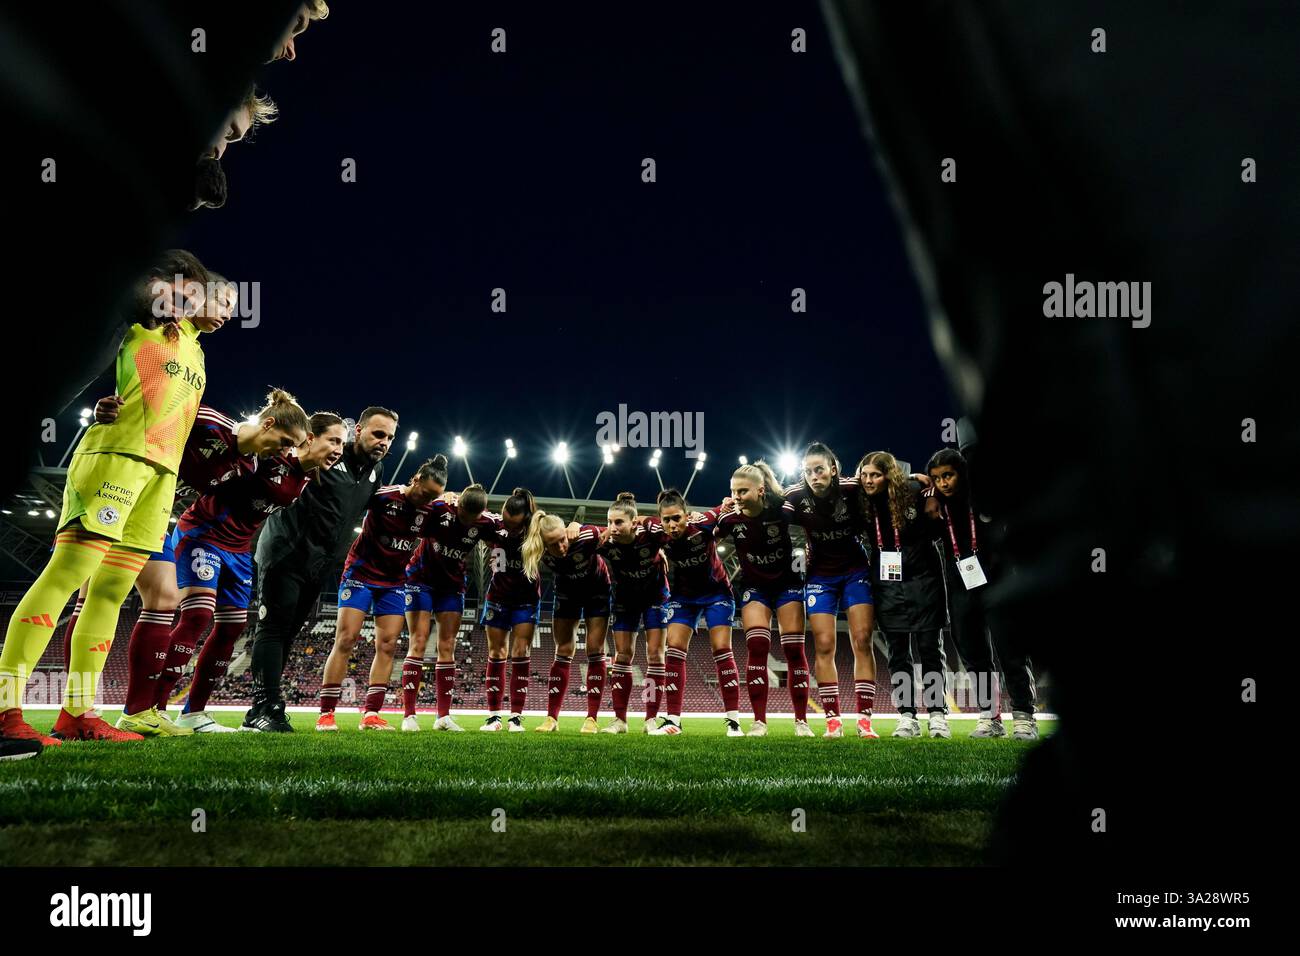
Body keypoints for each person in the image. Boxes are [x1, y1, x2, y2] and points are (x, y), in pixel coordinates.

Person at [0, 252, 220, 745]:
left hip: (160, 476)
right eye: (190, 292)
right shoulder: (135, 322)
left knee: (110, 595)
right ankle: (4, 707)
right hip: (115, 457)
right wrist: (95, 405)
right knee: (68, 575)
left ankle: (77, 714)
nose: (197, 302)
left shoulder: (195, 348)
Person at [114, 388, 311, 736]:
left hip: (166, 520)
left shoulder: (250, 465)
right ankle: (146, 706)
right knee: (188, 612)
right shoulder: (208, 422)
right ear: (267, 423)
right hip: (148, 509)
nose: (285, 452)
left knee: (221, 622)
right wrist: (114, 408)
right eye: (284, 441)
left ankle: (179, 712)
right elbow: (154, 407)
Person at [166, 411, 346, 732]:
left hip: (238, 550)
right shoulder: (270, 457)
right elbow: (235, 445)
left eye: (343, 444)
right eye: (333, 440)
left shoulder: (307, 477)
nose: (339, 449)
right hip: (204, 533)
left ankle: (193, 713)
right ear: (309, 439)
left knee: (231, 629)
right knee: (197, 616)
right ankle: (151, 707)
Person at [242, 406, 397, 732]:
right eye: (378, 434)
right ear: (359, 431)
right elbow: (290, 456)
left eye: (390, 438)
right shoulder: (326, 453)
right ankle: (263, 706)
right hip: (285, 552)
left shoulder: (376, 470)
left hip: (319, 566)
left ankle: (265, 706)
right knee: (272, 629)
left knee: (287, 633)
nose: (384, 442)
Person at [315, 455, 447, 732]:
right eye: (425, 493)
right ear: (415, 480)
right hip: (360, 575)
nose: (426, 500)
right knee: (346, 639)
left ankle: (371, 714)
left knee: (387, 645)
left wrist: (454, 500)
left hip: (395, 582)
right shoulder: (383, 497)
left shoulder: (431, 510)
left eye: (433, 497)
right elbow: (347, 504)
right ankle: (326, 713)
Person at [925, 448, 1037, 739]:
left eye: (948, 475)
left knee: (1010, 649)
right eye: (937, 479)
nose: (943, 483)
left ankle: (1024, 716)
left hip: (997, 580)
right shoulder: (936, 504)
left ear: (962, 473)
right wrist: (926, 490)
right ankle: (990, 717)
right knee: (974, 656)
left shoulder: (986, 494)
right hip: (960, 583)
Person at [783, 442, 879, 738]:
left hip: (854, 571)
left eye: (819, 469)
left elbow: (888, 483)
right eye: (808, 471)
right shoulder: (795, 496)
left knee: (862, 639)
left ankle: (864, 721)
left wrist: (920, 482)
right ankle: (833, 721)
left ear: (833, 469)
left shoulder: (852, 488)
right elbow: (765, 510)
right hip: (820, 577)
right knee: (824, 644)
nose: (813, 476)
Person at [715, 461, 813, 736]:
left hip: (787, 585)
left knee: (794, 650)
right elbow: (709, 534)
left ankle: (801, 721)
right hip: (755, 586)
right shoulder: (730, 518)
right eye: (733, 491)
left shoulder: (782, 509)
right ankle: (759, 721)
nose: (737, 497)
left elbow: (810, 507)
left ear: (760, 490)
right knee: (757, 645)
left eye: (743, 491)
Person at [857, 451, 948, 738]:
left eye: (876, 474)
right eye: (865, 474)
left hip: (924, 578)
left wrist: (928, 488)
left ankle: (937, 715)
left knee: (930, 649)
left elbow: (936, 490)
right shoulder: (859, 500)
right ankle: (907, 715)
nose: (869, 480)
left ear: (889, 475)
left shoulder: (913, 491)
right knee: (898, 653)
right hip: (887, 582)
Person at [642, 489, 740, 736]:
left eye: (677, 518)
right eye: (667, 520)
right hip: (684, 598)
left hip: (716, 592)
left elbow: (724, 509)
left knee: (721, 648)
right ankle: (673, 719)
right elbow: (640, 521)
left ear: (687, 515)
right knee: (673, 648)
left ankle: (733, 720)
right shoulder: (657, 532)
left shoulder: (703, 522)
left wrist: (728, 502)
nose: (672, 525)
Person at [402, 483, 495, 732]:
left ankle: (443, 716)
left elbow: (510, 527)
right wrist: (442, 495)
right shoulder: (440, 508)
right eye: (463, 515)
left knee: (447, 646)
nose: (466, 522)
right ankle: (409, 716)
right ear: (458, 505)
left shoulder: (485, 522)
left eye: (471, 519)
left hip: (452, 587)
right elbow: (413, 504)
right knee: (418, 642)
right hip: (420, 581)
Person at [521, 512, 611, 733]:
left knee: (595, 650)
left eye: (562, 539)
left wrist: (577, 524)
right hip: (566, 594)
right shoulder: (537, 551)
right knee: (562, 650)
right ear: (543, 544)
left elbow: (615, 532)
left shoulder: (585, 536)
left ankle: (591, 718)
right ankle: (551, 718)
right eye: (553, 544)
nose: (561, 547)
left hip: (597, 592)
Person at [594, 492, 669, 734]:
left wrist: (647, 520)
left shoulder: (650, 536)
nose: (612, 528)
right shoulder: (606, 543)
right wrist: (575, 525)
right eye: (609, 522)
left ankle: (650, 720)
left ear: (633, 522)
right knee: (622, 656)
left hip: (655, 598)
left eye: (618, 522)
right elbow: (579, 534)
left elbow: (670, 526)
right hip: (625, 601)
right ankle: (620, 721)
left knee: (655, 655)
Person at [477, 488, 541, 732]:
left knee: (521, 651)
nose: (509, 528)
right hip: (498, 599)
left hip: (525, 601)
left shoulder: (536, 530)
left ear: (525, 519)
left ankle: (516, 717)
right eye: (506, 522)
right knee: (496, 653)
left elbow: (561, 531)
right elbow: (466, 511)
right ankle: (494, 717)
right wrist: (451, 498)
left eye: (514, 525)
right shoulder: (493, 524)